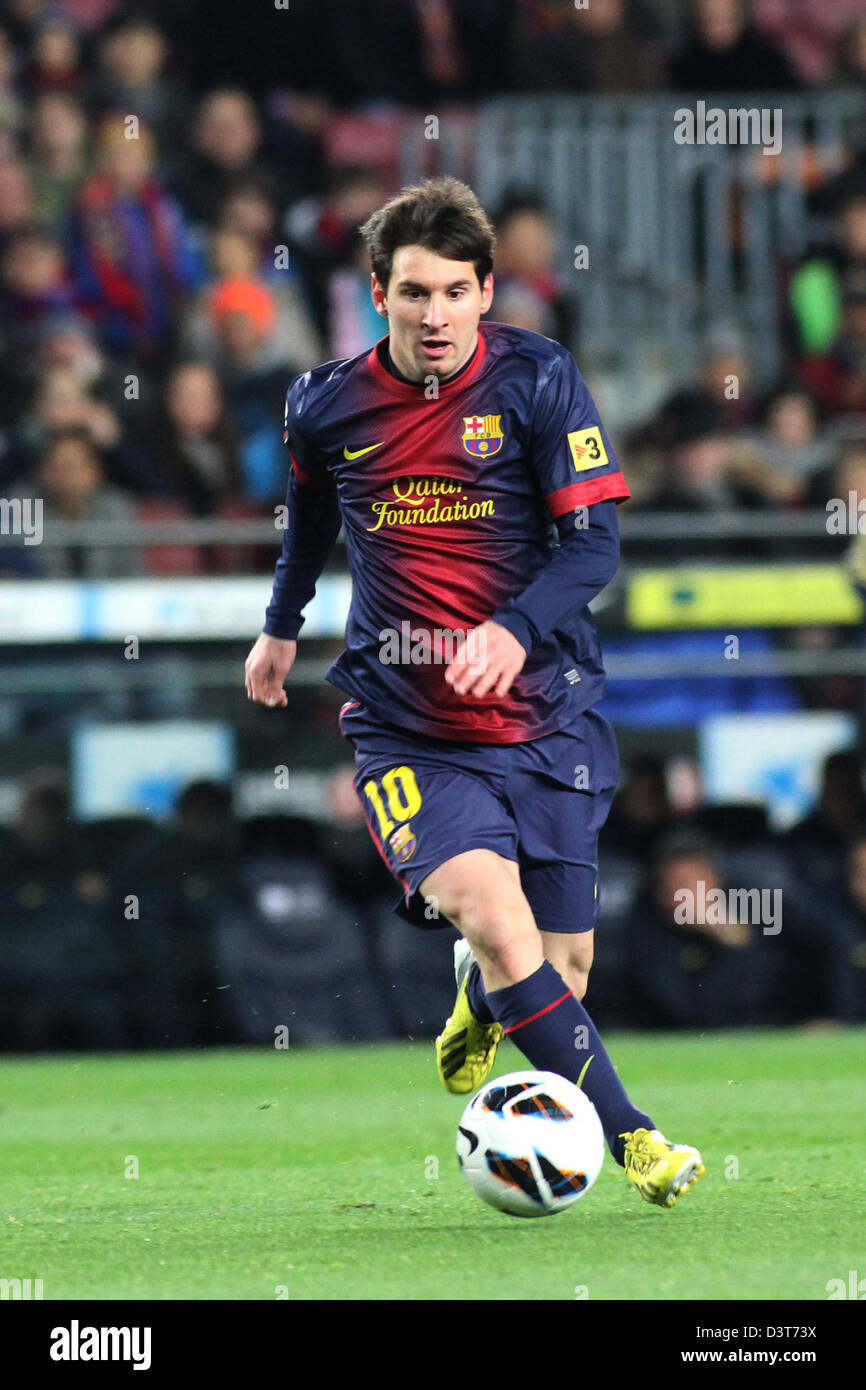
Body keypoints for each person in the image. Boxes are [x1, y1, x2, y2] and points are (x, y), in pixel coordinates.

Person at [245, 177, 704, 1209]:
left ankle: (478, 998)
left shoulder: (537, 380)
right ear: (377, 293)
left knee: (562, 969)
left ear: (486, 292)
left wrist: (510, 628)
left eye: (454, 291)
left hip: (547, 713)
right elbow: (308, 521)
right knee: (499, 928)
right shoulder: (323, 402)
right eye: (413, 293)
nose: (434, 314)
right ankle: (631, 1139)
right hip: (407, 722)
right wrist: (281, 626)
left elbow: (595, 547)